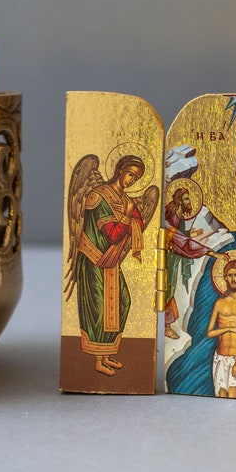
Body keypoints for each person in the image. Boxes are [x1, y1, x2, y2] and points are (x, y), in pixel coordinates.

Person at [73, 155, 152, 377]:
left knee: (122, 302)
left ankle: (107, 353)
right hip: (93, 259)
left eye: (136, 178)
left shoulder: (125, 199)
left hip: (110, 261)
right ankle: (98, 360)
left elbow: (139, 222)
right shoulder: (97, 197)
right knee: (99, 309)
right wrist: (128, 217)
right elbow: (114, 235)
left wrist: (132, 217)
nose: (132, 180)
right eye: (130, 174)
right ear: (120, 169)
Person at [162, 185, 214, 339]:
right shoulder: (171, 214)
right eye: (186, 198)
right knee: (167, 289)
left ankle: (167, 325)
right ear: (179, 201)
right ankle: (166, 326)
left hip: (174, 256)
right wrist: (208, 251)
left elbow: (181, 235)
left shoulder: (180, 216)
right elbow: (179, 239)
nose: (189, 201)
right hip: (168, 257)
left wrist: (193, 233)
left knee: (170, 289)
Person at [206, 258, 236, 398]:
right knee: (221, 401)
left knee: (234, 401)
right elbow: (209, 332)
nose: (233, 279)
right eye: (230, 275)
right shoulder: (220, 303)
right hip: (220, 359)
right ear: (225, 278)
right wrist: (228, 329)